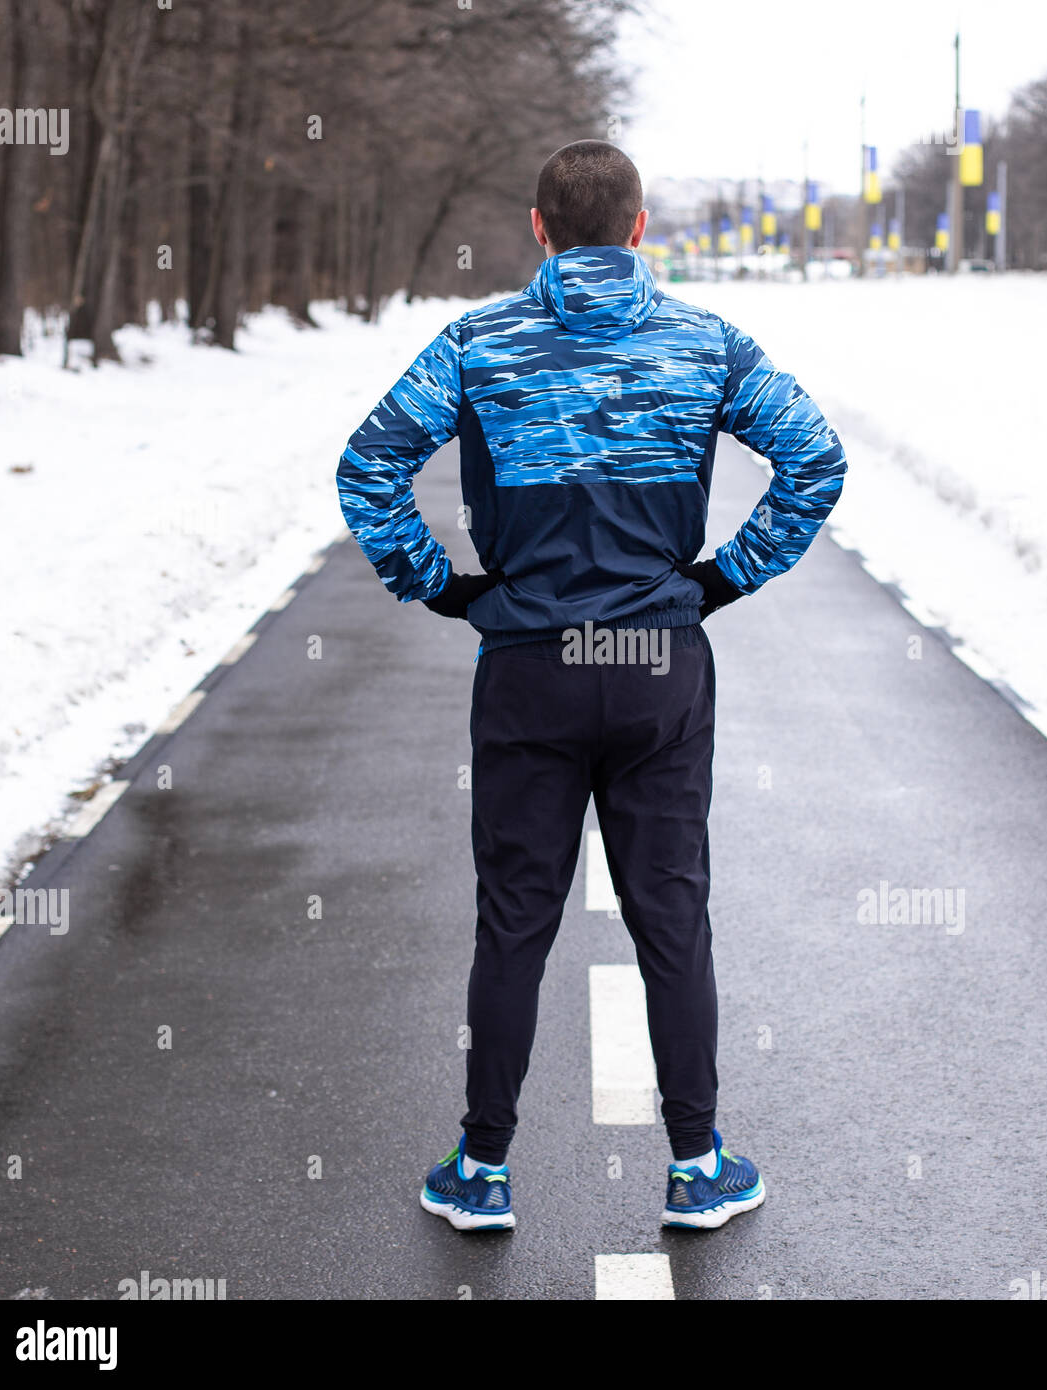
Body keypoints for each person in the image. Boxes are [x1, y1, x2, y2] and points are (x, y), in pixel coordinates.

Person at [337, 140, 848, 1233]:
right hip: (659, 669)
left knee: (514, 921)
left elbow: (367, 466)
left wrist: (442, 588)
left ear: (538, 228)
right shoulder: (707, 343)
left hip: (528, 669)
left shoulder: (477, 343)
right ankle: (698, 1164)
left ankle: (481, 1171)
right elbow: (815, 459)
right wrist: (721, 578)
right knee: (672, 914)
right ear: (639, 226)